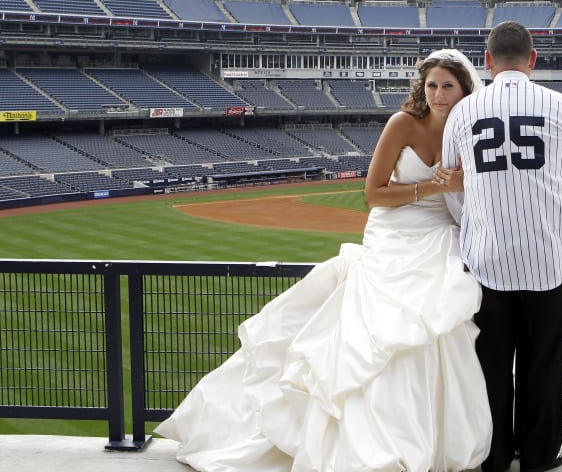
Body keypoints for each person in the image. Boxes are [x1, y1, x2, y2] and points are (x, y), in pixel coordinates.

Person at [155, 48, 491, 472]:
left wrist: (462, 184)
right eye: (432, 85)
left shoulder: (474, 130)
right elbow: (373, 194)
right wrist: (432, 189)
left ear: (464, 89)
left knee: (442, 318)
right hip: (394, 234)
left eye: (448, 86)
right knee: (381, 325)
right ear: (422, 88)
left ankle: (435, 437)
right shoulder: (403, 123)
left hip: (443, 235)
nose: (439, 94)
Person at [440, 21, 562, 472]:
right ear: (532, 59)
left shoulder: (464, 112)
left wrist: (471, 224)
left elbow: (451, 181)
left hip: (486, 260)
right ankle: (540, 453)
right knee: (542, 362)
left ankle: (494, 454)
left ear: (487, 62)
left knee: (489, 365)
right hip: (550, 258)